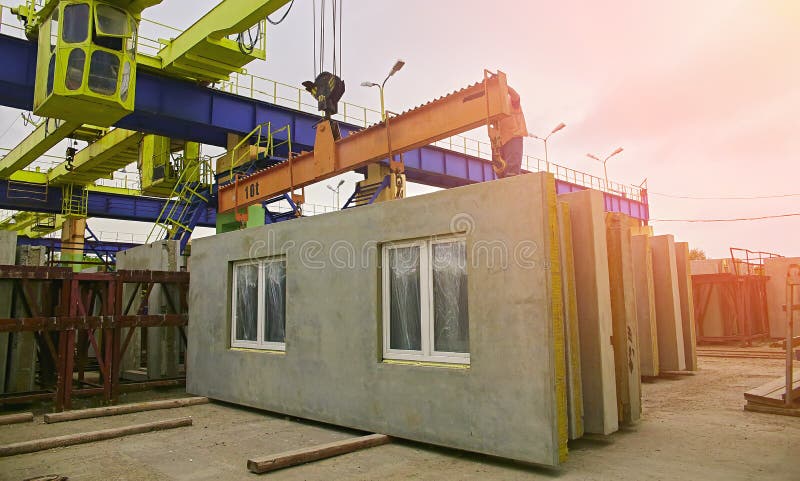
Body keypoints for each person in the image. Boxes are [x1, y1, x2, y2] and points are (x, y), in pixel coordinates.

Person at [491, 86, 528, 178]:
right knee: (500, 172)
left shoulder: (509, 99)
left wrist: (502, 84)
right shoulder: (493, 105)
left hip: (513, 136)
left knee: (511, 172)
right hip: (499, 141)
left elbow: (516, 97)